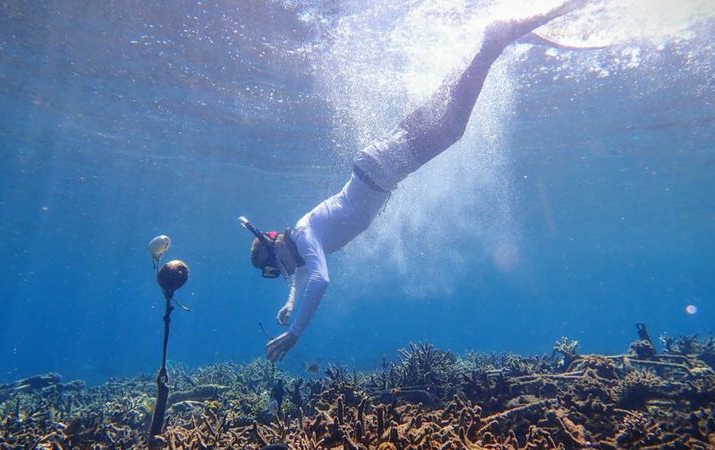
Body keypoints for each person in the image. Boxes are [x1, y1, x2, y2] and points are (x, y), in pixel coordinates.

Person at [241, 1, 590, 362]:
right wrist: (289, 302)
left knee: (452, 126)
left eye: (274, 266)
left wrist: (295, 332)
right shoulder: (298, 240)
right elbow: (300, 273)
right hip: (378, 166)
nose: (281, 270)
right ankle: (493, 45)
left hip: (383, 167)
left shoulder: (303, 236)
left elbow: (320, 279)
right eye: (275, 273)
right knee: (442, 105)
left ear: (273, 243)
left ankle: (495, 40)